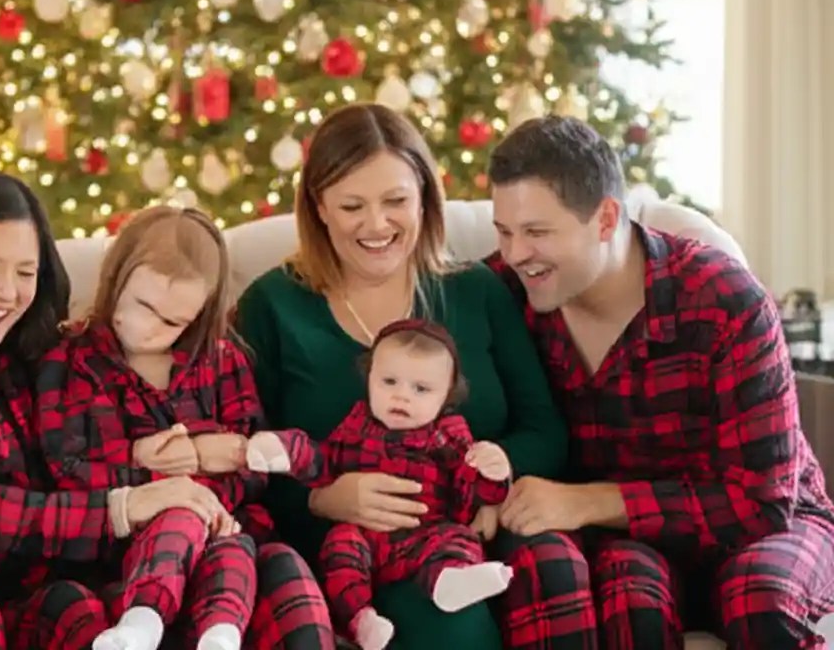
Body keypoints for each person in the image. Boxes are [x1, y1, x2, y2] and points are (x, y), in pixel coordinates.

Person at [0, 170, 259, 650]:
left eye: (24, 272)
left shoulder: (35, 358)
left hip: (34, 595)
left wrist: (162, 465)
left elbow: (85, 461)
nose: (7, 292)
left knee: (104, 607)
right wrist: (125, 506)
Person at [234, 102, 590, 650]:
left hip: (486, 529)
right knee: (449, 625)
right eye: (352, 205)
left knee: (556, 576)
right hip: (355, 556)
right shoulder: (272, 307)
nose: (376, 225)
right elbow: (248, 466)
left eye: (396, 200)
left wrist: (496, 480)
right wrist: (323, 500)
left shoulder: (476, 291)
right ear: (319, 208)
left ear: (425, 196)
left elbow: (545, 430)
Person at [485, 115, 834, 649]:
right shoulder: (506, 295)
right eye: (504, 232)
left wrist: (590, 501)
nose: (514, 254)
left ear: (605, 219)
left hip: (768, 521)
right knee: (632, 599)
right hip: (634, 538)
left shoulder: (722, 299)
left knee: (760, 597)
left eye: (536, 232)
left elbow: (762, 502)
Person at [36, 206, 293, 650]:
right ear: (116, 278)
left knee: (288, 574)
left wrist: (213, 459)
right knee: (179, 517)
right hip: (117, 555)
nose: (149, 329)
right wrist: (143, 467)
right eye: (142, 306)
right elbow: (62, 469)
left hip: (226, 540)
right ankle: (142, 624)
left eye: (173, 322)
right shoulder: (69, 362)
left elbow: (257, 467)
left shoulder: (221, 362)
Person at [247, 319, 515, 649]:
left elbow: (469, 490)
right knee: (339, 548)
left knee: (455, 538)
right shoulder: (357, 427)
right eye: (389, 381)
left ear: (446, 396)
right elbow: (322, 459)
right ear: (369, 378)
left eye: (421, 389)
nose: (401, 396)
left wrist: (493, 472)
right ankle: (362, 619)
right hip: (364, 536)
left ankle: (449, 582)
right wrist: (284, 450)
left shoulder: (449, 438)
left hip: (425, 533)